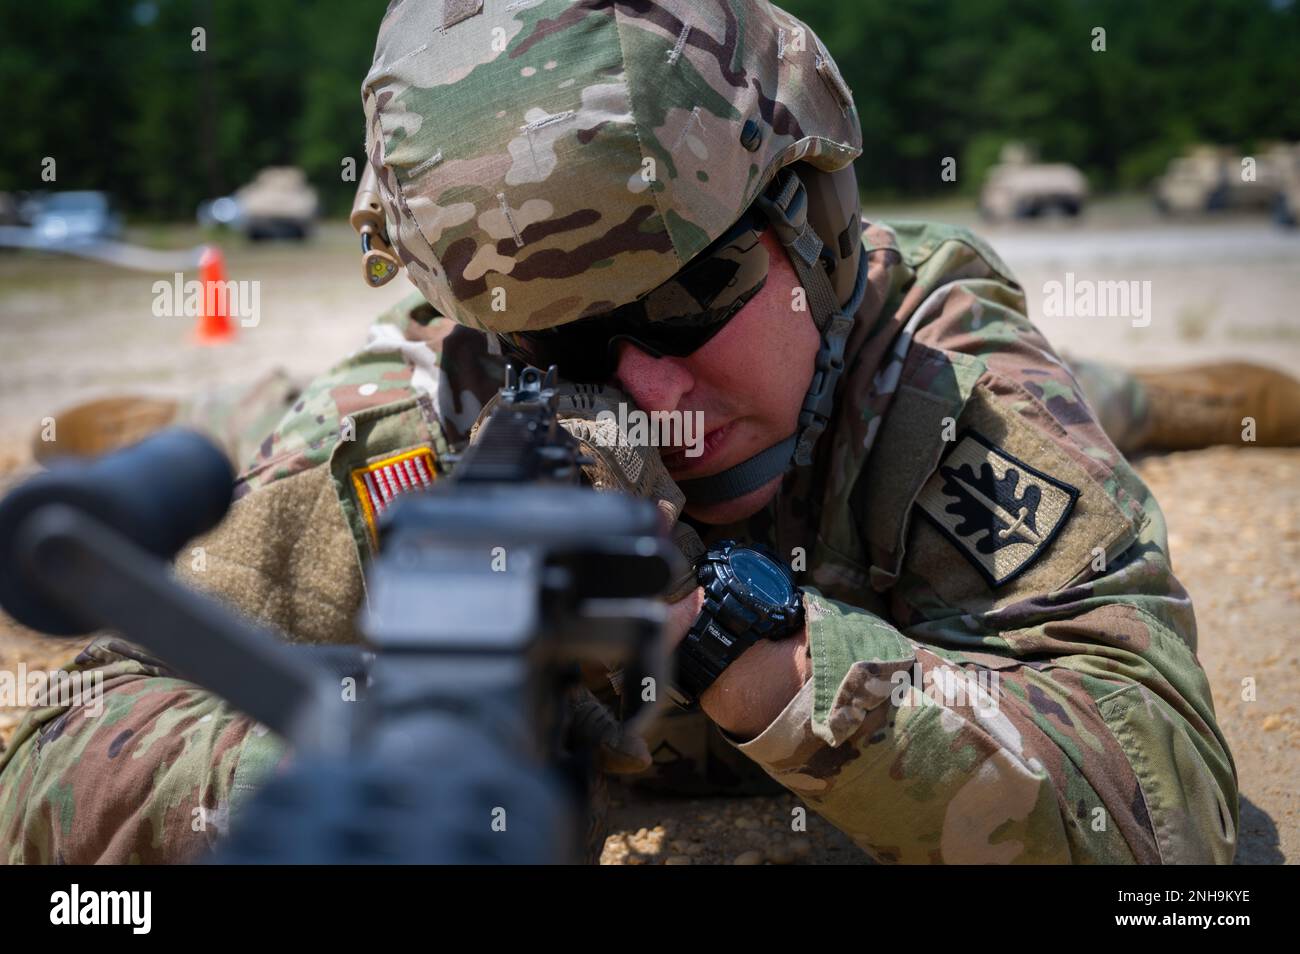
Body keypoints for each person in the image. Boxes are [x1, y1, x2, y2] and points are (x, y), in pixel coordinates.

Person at [2, 0, 1261, 864]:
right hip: (345, 410)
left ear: (815, 224)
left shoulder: (927, 369)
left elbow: (1167, 804)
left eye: (691, 298)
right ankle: (207, 407)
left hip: (878, 391)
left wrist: (741, 639)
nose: (651, 392)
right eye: (557, 349)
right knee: (262, 415)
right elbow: (55, 761)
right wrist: (340, 762)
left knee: (1124, 402)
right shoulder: (412, 427)